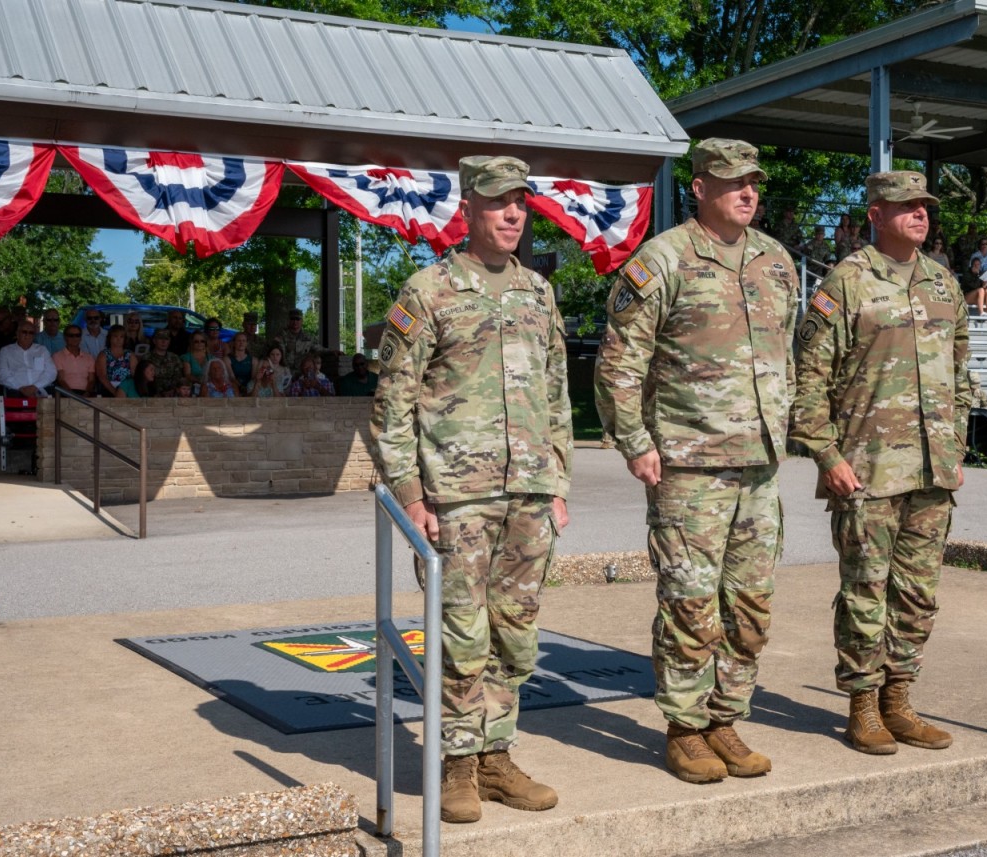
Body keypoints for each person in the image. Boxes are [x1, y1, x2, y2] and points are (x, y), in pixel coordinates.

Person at [371, 154, 572, 824]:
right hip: (458, 494)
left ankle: (496, 754)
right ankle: (457, 764)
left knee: (515, 631)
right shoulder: (428, 291)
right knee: (462, 632)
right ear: (469, 209)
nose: (513, 213)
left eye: (520, 201)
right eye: (498, 202)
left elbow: (558, 392)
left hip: (529, 492)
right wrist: (410, 492)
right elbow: (391, 404)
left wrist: (557, 479)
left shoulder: (538, 292)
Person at [595, 138, 797, 785]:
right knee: (690, 604)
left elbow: (786, 357)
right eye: (732, 181)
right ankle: (684, 727)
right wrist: (636, 442)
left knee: (751, 604)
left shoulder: (776, 262)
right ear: (700, 188)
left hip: (759, 468)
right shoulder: (663, 262)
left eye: (753, 182)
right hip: (689, 466)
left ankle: (724, 719)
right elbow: (619, 364)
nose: (747, 191)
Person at [792, 170, 971, 756]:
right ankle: (863, 706)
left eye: (924, 205)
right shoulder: (845, 282)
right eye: (905, 205)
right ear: (875, 213)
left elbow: (962, 376)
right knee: (865, 591)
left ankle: (899, 700)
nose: (919, 213)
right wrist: (826, 454)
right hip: (866, 467)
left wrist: (957, 445)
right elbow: (809, 379)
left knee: (918, 593)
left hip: (932, 470)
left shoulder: (943, 283)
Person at [0, 321, 57, 397]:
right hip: (16, 391)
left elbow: (51, 372)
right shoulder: (6, 351)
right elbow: (3, 375)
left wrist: (34, 387)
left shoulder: (42, 350)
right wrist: (21, 388)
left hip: (40, 390)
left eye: (31, 333)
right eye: (24, 332)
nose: (27, 335)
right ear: (17, 333)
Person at [95, 324, 137, 397]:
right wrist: (115, 392)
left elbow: (135, 375)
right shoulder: (103, 355)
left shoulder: (130, 355)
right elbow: (102, 376)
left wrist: (127, 391)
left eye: (121, 337)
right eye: (115, 336)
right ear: (110, 338)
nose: (118, 339)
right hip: (108, 389)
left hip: (128, 389)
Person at [52, 325, 96, 395]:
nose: (74, 338)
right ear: (65, 337)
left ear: (80, 337)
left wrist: (87, 393)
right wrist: (72, 395)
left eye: (77, 335)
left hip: (86, 394)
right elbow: (61, 380)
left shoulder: (89, 357)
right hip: (66, 393)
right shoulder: (57, 356)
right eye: (71, 335)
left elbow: (91, 380)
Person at [275, 308, 322, 373]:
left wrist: (331, 351)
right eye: (292, 319)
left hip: (303, 372)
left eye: (297, 319)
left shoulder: (308, 337)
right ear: (288, 320)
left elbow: (319, 349)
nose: (295, 322)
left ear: (302, 321)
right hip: (285, 371)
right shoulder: (281, 336)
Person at [148, 329, 184, 396]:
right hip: (153, 395)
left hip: (173, 395)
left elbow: (178, 377)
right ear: (154, 341)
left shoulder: (175, 358)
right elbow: (145, 380)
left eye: (166, 339)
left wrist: (172, 390)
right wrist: (161, 392)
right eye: (160, 338)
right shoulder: (146, 358)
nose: (164, 342)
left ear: (169, 341)